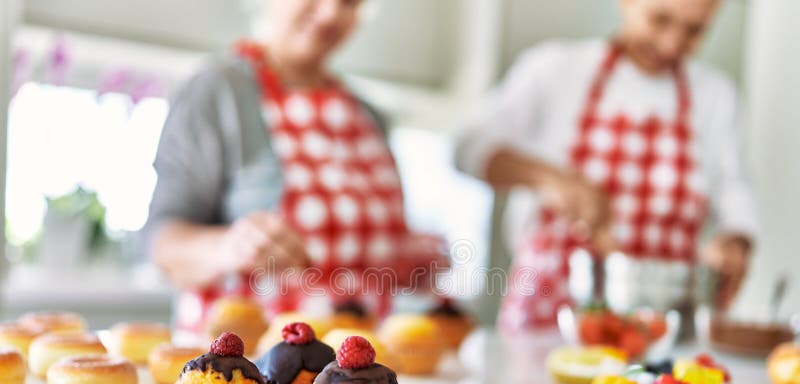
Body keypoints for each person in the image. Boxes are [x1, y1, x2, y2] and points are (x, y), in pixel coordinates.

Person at [454, 0, 758, 332]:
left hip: (655, 328)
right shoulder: (556, 68)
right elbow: (467, 148)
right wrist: (550, 179)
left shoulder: (715, 96)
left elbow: (735, 191)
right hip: (545, 318)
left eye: (694, 30)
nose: (672, 43)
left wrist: (734, 244)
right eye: (660, 20)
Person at [145, 0, 445, 335]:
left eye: (350, 2)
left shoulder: (369, 116)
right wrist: (229, 247)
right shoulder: (219, 90)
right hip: (249, 367)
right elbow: (162, 244)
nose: (331, 12)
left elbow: (368, 250)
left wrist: (408, 256)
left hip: (358, 365)